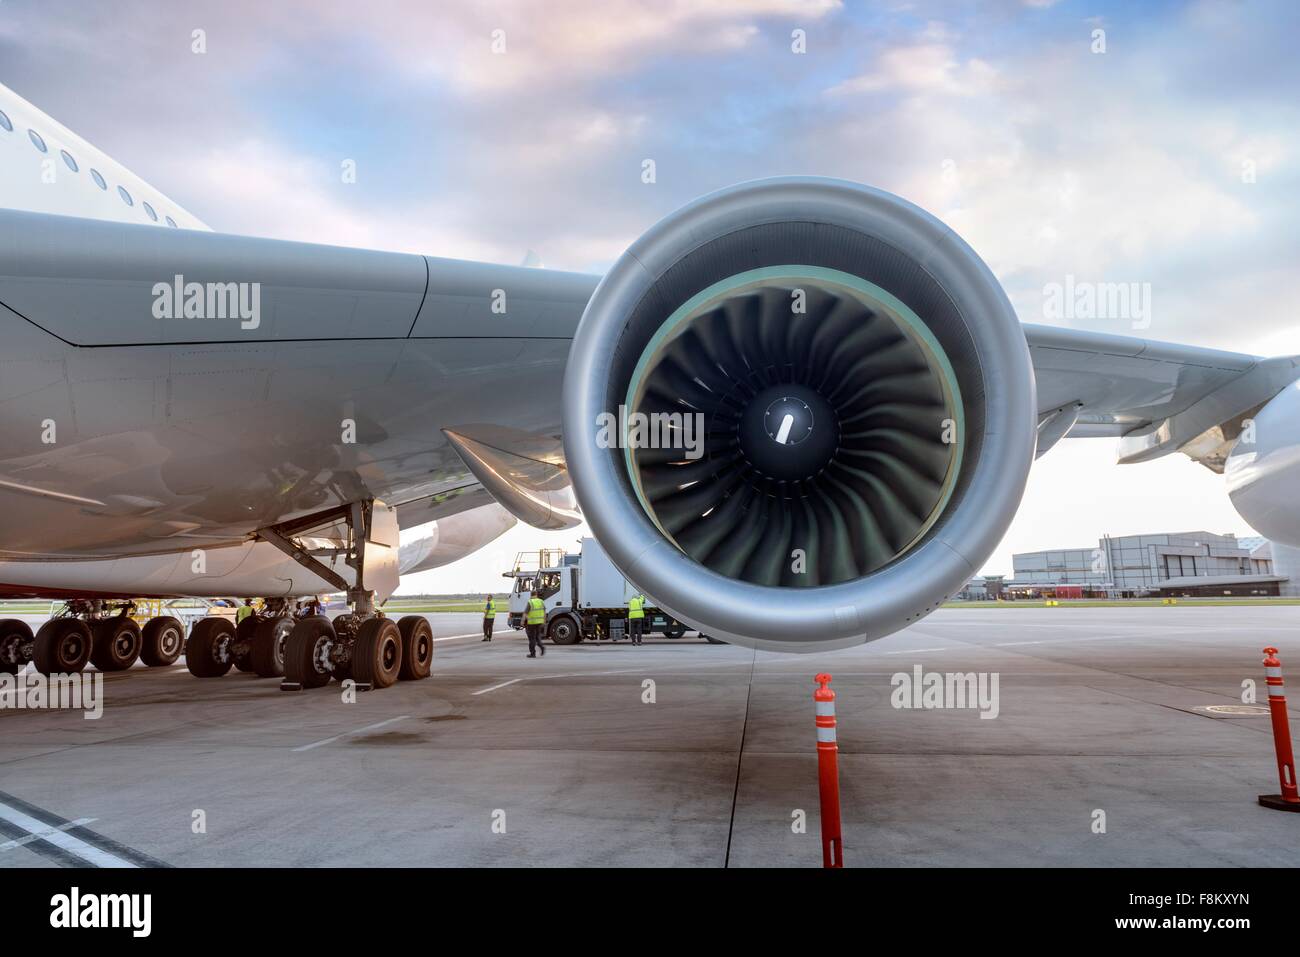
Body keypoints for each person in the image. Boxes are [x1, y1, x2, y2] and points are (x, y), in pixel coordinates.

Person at [525, 590, 546, 658]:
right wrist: (544, 621)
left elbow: (525, 613)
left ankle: (532, 653)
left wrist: (523, 621)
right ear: (536, 594)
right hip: (539, 622)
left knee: (532, 638)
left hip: (531, 623)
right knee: (537, 637)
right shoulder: (541, 601)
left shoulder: (530, 602)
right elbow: (544, 611)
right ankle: (542, 647)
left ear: (531, 595)